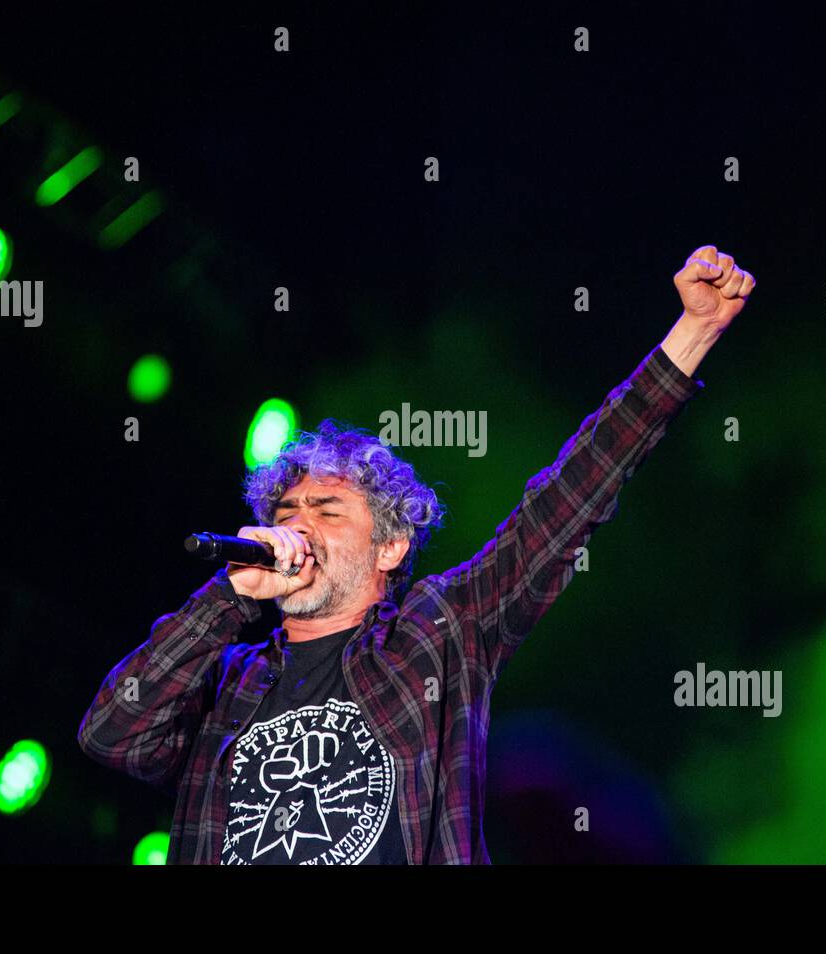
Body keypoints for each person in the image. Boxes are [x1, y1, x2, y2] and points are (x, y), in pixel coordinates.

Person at [77, 245, 756, 864]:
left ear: (391, 547)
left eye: (328, 510)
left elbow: (569, 497)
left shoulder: (440, 633)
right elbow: (112, 733)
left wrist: (692, 334)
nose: (299, 525)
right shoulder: (229, 682)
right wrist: (225, 598)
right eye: (287, 513)